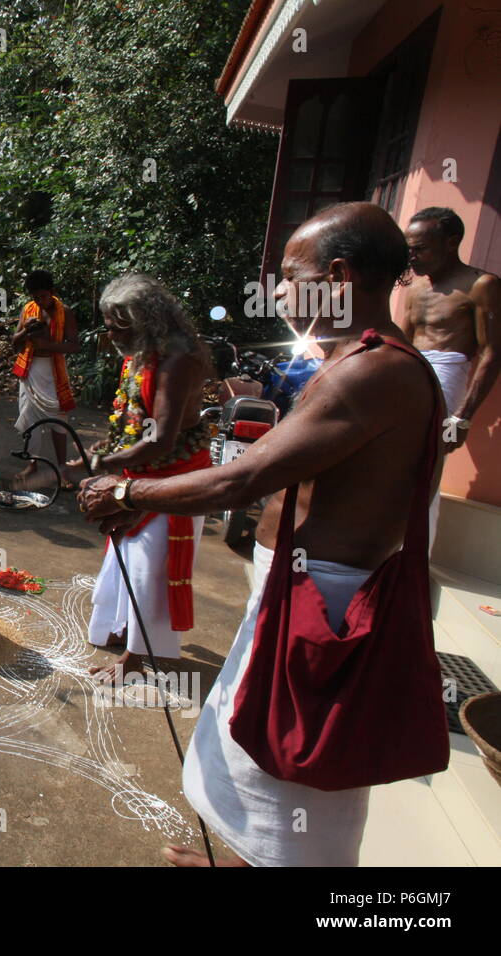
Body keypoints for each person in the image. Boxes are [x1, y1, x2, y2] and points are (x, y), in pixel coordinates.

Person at [80, 202, 443, 867]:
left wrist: (127, 491)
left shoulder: (375, 370)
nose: (275, 291)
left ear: (336, 275)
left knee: (294, 775)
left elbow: (237, 482)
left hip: (323, 613)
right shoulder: (350, 358)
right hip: (297, 592)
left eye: (286, 275)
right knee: (252, 753)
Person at [70, 274, 213, 684]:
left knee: (150, 567)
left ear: (146, 319)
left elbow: (160, 438)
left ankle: (137, 658)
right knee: (127, 556)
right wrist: (99, 456)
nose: (110, 332)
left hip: (175, 476)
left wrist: (104, 466)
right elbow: (131, 424)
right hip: (141, 472)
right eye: (108, 322)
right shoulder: (142, 353)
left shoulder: (177, 359)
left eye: (119, 323)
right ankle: (122, 629)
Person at [399, 207, 499, 541]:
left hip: (446, 374)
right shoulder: (415, 290)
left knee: (423, 465)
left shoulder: (481, 285)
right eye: (409, 248)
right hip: (407, 375)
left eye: (420, 248)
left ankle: (413, 560)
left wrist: (462, 418)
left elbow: (491, 352)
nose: (412, 257)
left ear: (451, 242)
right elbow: (401, 342)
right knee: (391, 460)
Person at [10, 270, 79, 485]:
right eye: (35, 297)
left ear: (52, 292)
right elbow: (15, 343)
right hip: (30, 371)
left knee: (59, 419)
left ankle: (62, 469)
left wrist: (47, 345)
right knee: (30, 419)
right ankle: (32, 465)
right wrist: (25, 332)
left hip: (54, 371)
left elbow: (74, 345)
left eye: (43, 296)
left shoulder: (65, 312)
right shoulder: (28, 310)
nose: (39, 301)